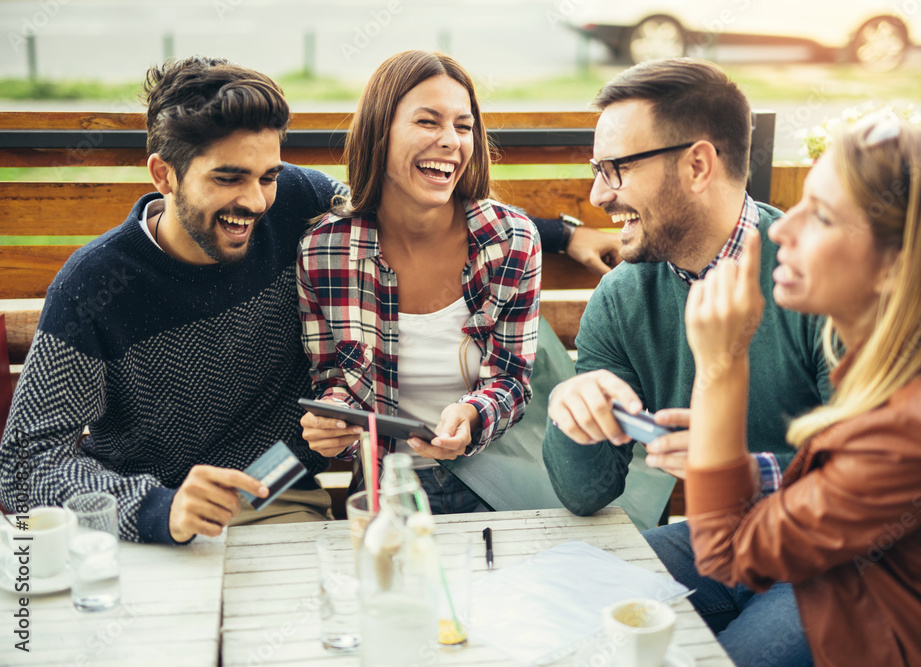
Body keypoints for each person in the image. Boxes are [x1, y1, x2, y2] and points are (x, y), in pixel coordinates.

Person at [682, 116, 921, 665]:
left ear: (896, 267)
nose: (781, 230)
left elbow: (729, 553)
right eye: (801, 202)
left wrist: (721, 365)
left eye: (822, 217)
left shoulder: (912, 430)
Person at [542, 58, 829, 665]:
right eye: (597, 171)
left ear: (698, 165)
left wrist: (735, 468)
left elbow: (888, 472)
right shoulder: (623, 297)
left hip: (835, 559)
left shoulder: (824, 279)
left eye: (616, 169)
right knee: (560, 606)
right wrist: (572, 416)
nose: (598, 195)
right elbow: (585, 493)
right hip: (717, 547)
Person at [0, 56, 348, 544]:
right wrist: (157, 509)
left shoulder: (303, 200)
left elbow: (404, 219)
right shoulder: (93, 284)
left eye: (268, 176)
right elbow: (24, 464)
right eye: (228, 178)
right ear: (164, 175)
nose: (256, 201)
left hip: (275, 498)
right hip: (141, 523)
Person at [296, 50, 541, 514]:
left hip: (495, 481)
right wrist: (333, 422)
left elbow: (511, 379)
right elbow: (333, 378)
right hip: (387, 486)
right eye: (428, 122)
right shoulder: (324, 250)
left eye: (463, 126)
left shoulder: (511, 240)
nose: (450, 141)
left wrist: (472, 416)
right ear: (379, 132)